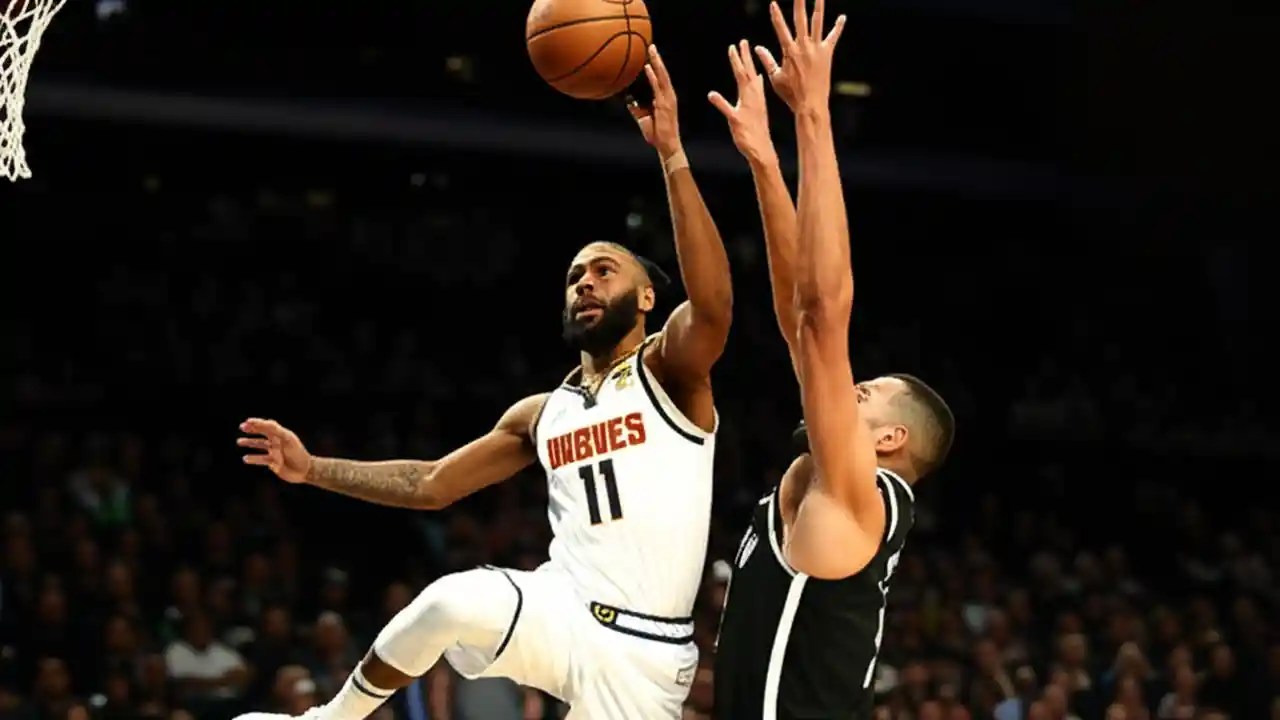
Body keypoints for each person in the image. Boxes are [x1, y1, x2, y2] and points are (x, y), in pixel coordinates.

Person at [233, 43, 732, 720]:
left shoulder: (670, 373)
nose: (584, 280)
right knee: (448, 602)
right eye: (574, 276)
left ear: (647, 298)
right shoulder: (541, 413)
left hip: (644, 652)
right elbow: (433, 483)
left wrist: (672, 152)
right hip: (561, 604)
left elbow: (714, 305)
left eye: (605, 270)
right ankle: (331, 719)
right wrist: (312, 467)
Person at [708, 2, 956, 718]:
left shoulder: (860, 499)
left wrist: (812, 117)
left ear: (889, 440)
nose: (851, 388)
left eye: (868, 391)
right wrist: (762, 161)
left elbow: (821, 319)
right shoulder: (831, 488)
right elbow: (797, 322)